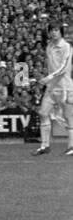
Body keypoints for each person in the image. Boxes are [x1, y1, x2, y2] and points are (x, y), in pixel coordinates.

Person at [31, 21, 73, 156]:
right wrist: (44, 77)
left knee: (68, 117)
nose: (54, 32)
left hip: (64, 87)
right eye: (51, 30)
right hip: (51, 87)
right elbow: (51, 66)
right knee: (43, 113)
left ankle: (71, 146)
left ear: (61, 32)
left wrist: (48, 78)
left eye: (56, 30)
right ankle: (45, 146)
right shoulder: (49, 46)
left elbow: (63, 67)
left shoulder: (66, 46)